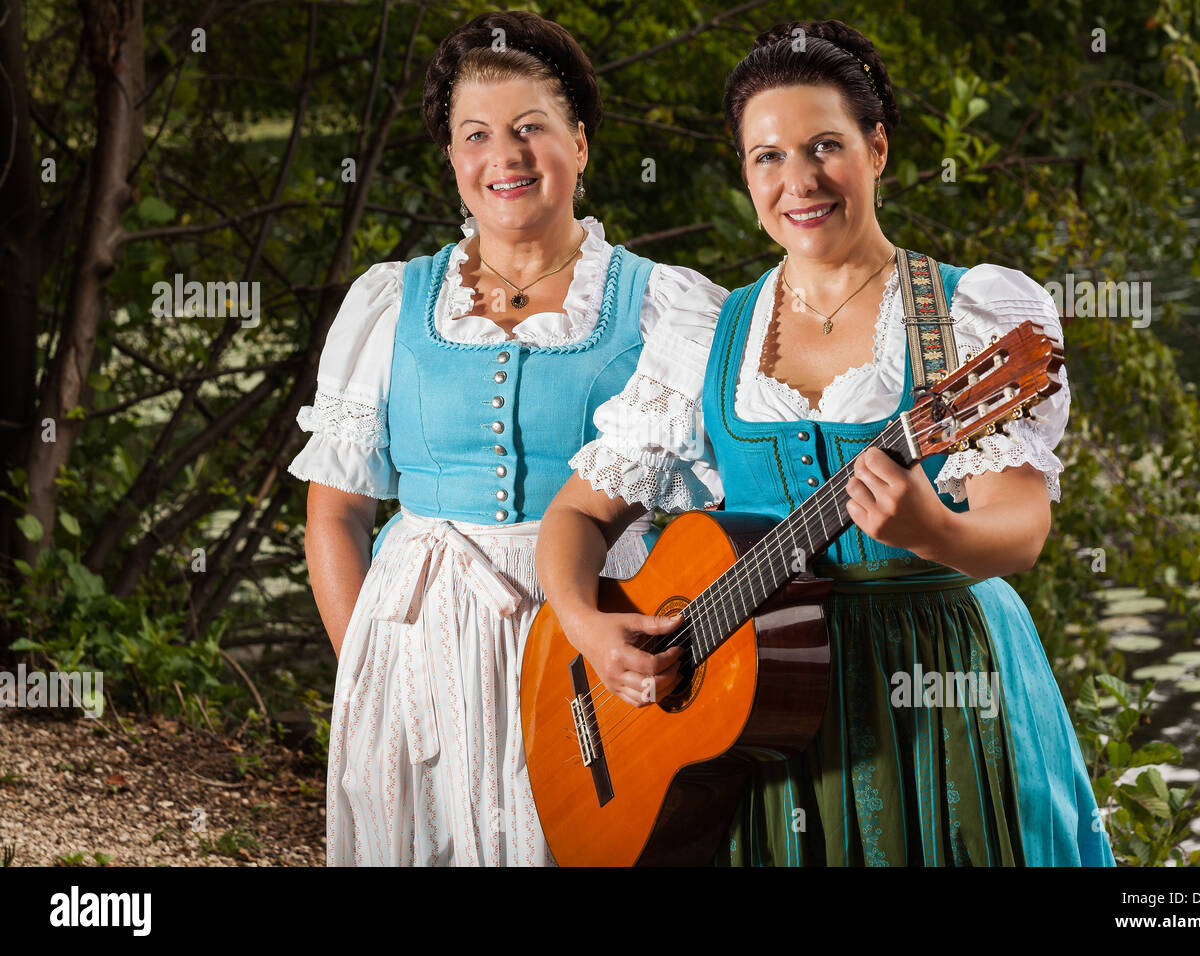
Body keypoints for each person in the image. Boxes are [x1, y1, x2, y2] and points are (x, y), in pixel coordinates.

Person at [536, 19, 1116, 866]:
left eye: (825, 147)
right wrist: (588, 627)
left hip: (941, 686)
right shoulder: (706, 333)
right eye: (767, 156)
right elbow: (576, 517)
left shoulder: (973, 315)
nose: (798, 180)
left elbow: (1021, 529)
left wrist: (933, 530)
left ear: (876, 149)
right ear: (744, 174)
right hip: (758, 709)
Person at [287, 10, 726, 866]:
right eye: (476, 134)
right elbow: (335, 515)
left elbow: (721, 502)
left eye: (532, 128)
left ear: (582, 144)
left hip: (592, 633)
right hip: (413, 641)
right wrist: (370, 670)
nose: (506, 156)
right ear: (452, 158)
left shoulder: (663, 307)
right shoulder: (389, 303)